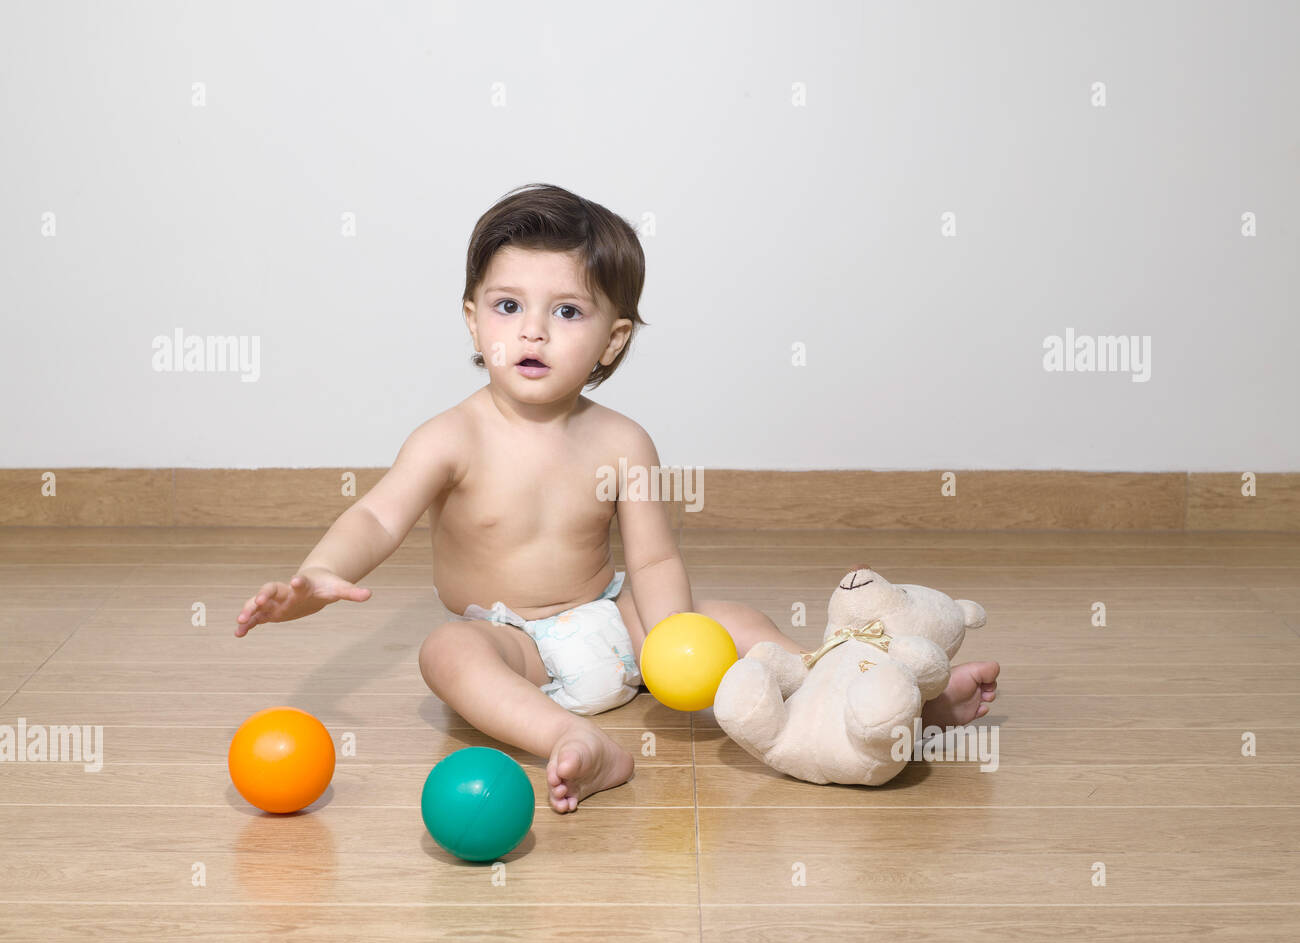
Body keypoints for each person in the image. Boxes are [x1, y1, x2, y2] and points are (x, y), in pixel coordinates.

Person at [234, 183, 999, 813]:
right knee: (447, 654)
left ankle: (869, 699)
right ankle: (569, 739)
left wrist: (674, 644)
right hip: (517, 643)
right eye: (507, 306)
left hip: (614, 616)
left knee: (738, 622)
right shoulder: (451, 437)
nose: (533, 329)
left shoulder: (625, 441)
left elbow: (655, 554)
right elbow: (378, 513)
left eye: (566, 311)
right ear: (472, 317)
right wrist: (319, 575)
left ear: (613, 339)